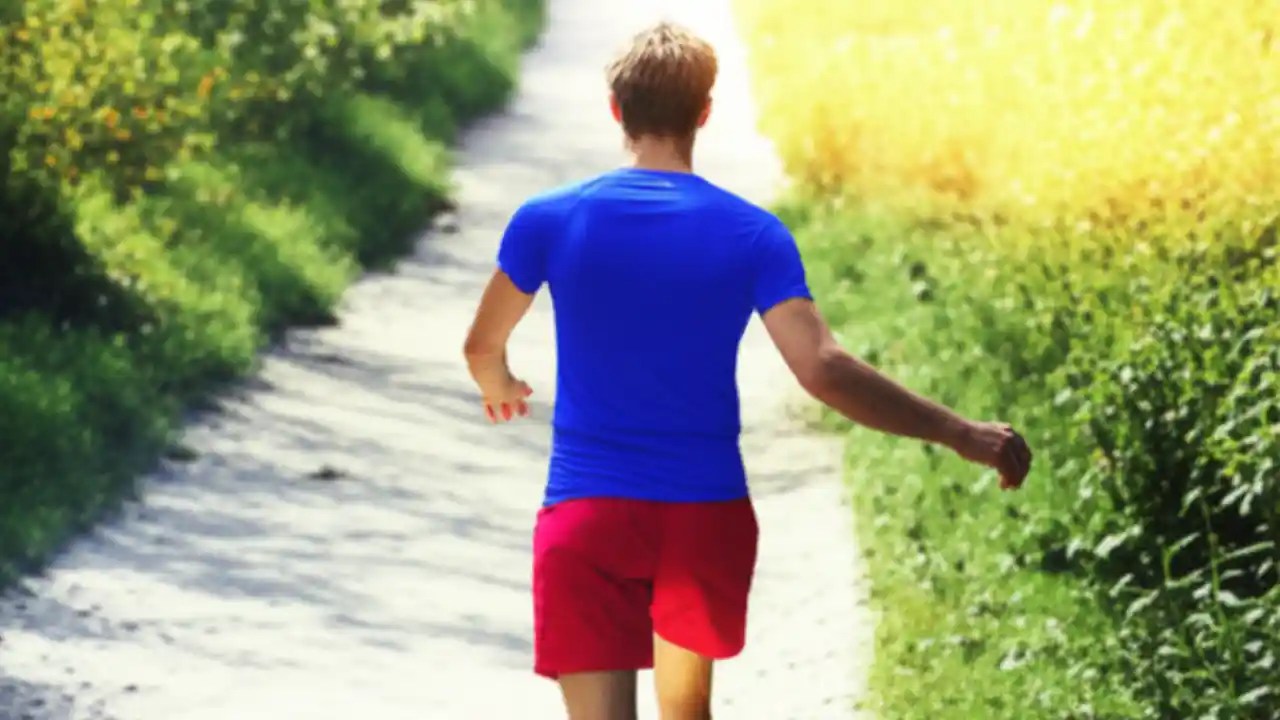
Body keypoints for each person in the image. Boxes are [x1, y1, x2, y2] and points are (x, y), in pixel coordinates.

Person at [463, 20, 1033, 720]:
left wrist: (502, 387)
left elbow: (480, 346)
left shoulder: (548, 219)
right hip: (703, 519)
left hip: (588, 516)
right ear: (703, 114)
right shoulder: (752, 232)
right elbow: (822, 367)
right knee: (687, 713)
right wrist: (960, 432)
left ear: (616, 110)